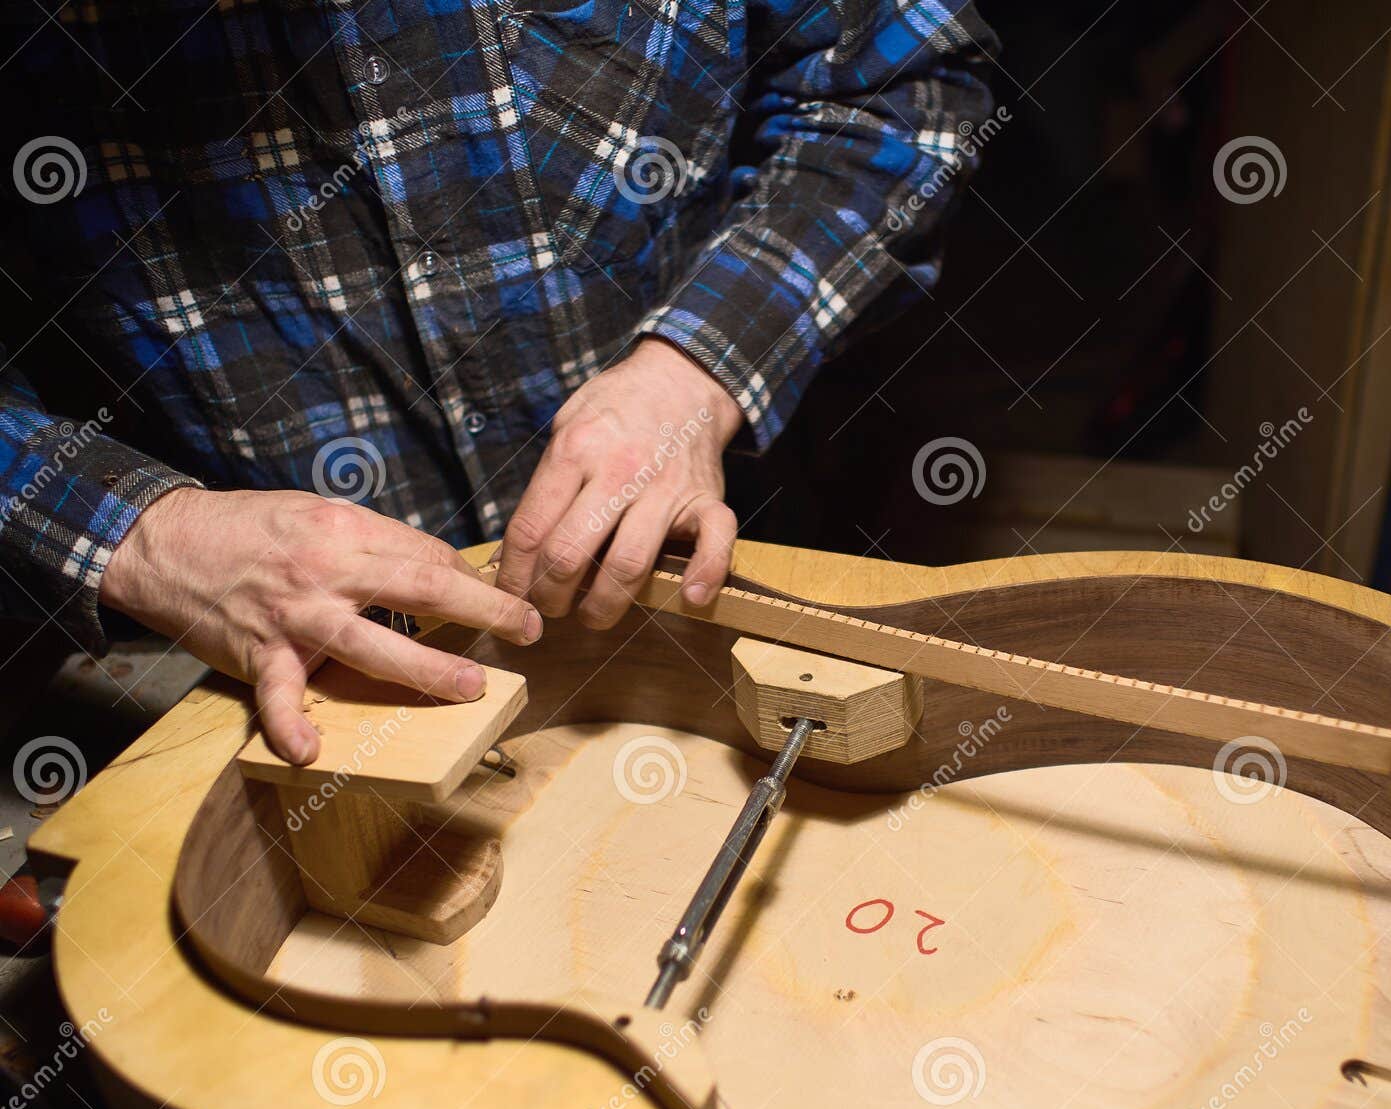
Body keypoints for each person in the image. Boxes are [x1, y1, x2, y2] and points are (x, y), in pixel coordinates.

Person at [0, 1, 996, 762]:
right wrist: (141, 537)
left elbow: (902, 87)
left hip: (730, 582)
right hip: (234, 668)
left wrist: (698, 366)